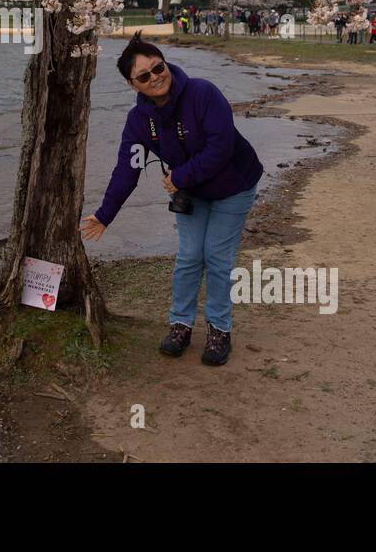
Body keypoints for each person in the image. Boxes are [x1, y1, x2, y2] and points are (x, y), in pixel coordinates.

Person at [80, 35, 264, 366]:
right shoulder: (138, 121)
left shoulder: (203, 93)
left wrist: (180, 176)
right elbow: (128, 168)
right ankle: (180, 324)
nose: (155, 77)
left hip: (234, 184)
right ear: (132, 84)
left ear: (165, 63)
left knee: (217, 258)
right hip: (193, 194)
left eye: (158, 67)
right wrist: (105, 215)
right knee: (190, 256)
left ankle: (219, 329)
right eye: (144, 76)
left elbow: (220, 147)